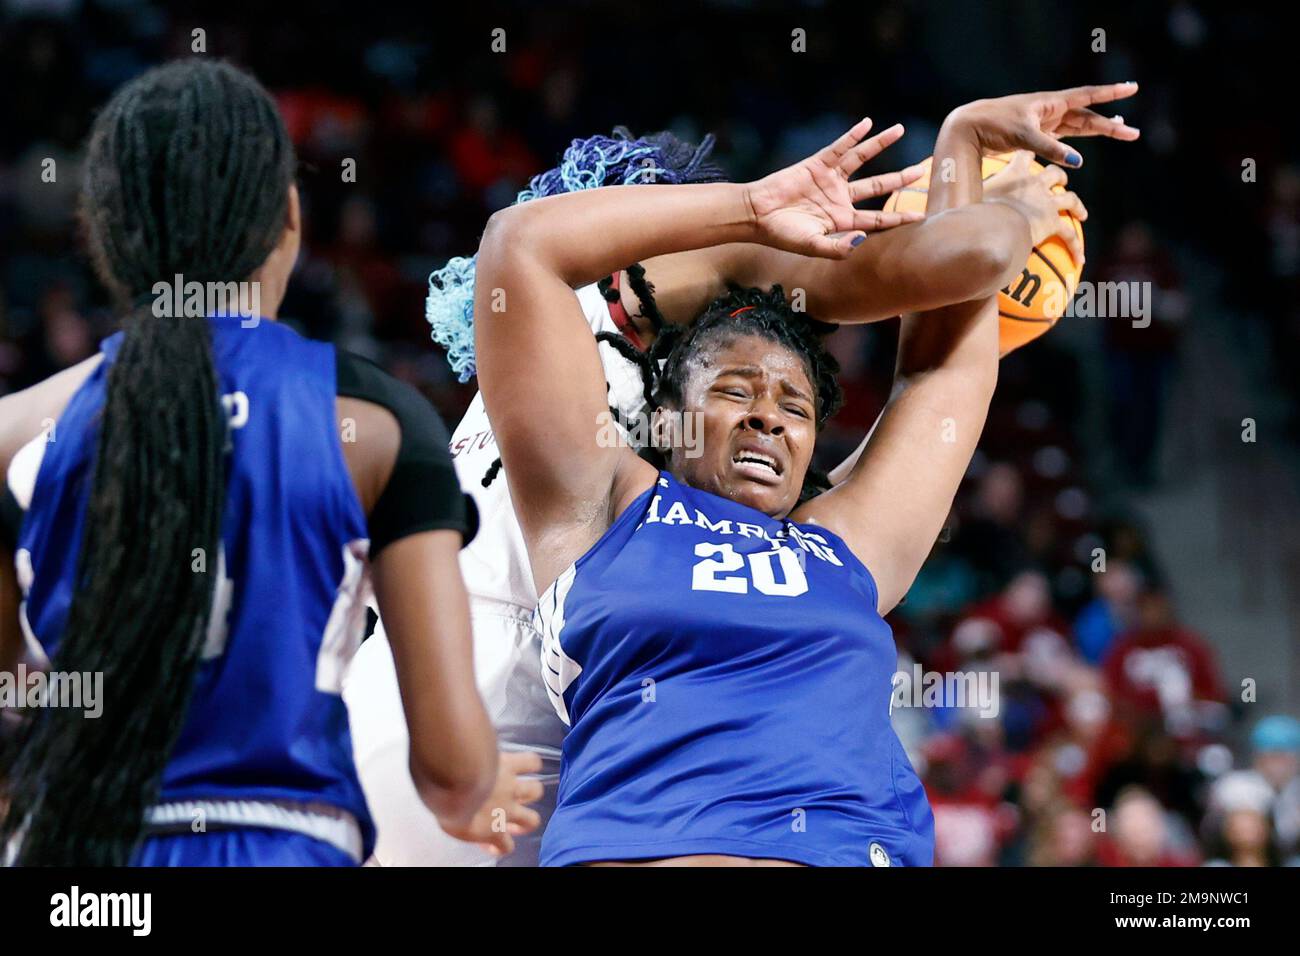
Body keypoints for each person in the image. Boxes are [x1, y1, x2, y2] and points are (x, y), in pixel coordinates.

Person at [344, 107, 1102, 864]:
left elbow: (937, 375)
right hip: (486, 726)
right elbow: (522, 241)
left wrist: (964, 144)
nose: (768, 416)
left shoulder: (837, 545)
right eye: (738, 391)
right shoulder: (609, 496)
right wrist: (1004, 213)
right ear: (669, 411)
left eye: (796, 405)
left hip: (488, 721)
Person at [0, 59, 539, 867]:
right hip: (281, 844)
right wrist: (481, 790)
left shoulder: (17, 433)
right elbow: (452, 773)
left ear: (103, 230)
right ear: (289, 216)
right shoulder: (375, 422)